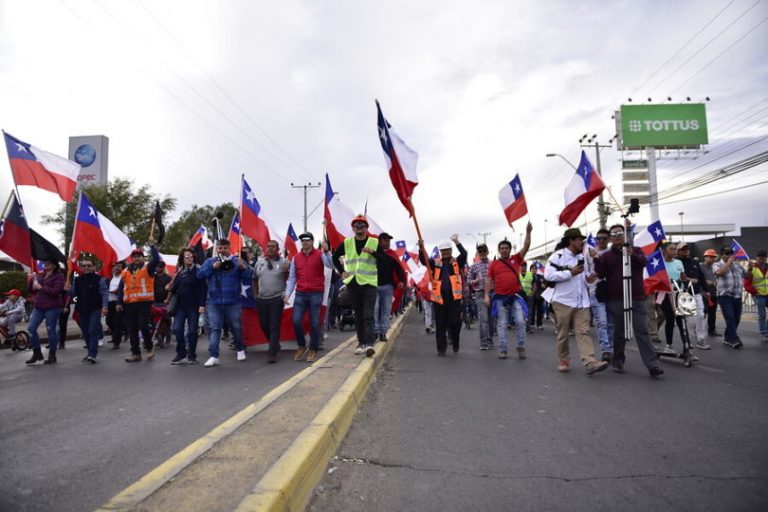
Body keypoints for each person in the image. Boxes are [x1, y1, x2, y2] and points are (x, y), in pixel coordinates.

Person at [596, 222, 663, 377]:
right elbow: (601, 273)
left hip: (637, 297)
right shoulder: (606, 256)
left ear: (625, 235)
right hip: (616, 299)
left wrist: (631, 253)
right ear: (611, 238)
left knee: (642, 331)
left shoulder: (636, 251)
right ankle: (618, 361)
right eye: (614, 235)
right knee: (619, 332)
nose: (618, 237)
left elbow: (643, 262)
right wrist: (596, 260)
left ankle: (652, 365)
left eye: (620, 234)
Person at [543, 228, 608, 375]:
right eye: (580, 240)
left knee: (583, 331)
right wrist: (569, 273)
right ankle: (564, 359)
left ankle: (590, 361)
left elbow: (583, 278)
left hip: (581, 302)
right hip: (562, 301)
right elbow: (548, 275)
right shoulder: (557, 257)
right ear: (571, 240)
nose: (582, 243)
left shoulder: (582, 258)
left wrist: (589, 278)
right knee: (563, 333)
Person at [197, 238, 253, 367]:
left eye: (225, 248)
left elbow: (249, 276)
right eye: (220, 248)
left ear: (229, 248)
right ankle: (214, 356)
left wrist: (243, 267)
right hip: (214, 302)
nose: (222, 250)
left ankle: (240, 349)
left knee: (236, 327)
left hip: (233, 302)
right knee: (215, 328)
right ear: (217, 249)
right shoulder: (210, 261)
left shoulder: (236, 260)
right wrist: (212, 267)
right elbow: (200, 275)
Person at [332, 215, 381, 357]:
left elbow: (384, 260)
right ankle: (361, 343)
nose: (359, 227)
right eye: (357, 225)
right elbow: (335, 257)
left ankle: (370, 344)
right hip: (353, 283)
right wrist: (342, 272)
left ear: (367, 228)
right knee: (358, 315)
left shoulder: (374, 242)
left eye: (362, 225)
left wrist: (373, 253)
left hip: (369, 283)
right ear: (353, 228)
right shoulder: (347, 242)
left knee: (368, 314)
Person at [485, 222, 532, 360]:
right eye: (502, 248)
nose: (504, 250)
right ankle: (503, 349)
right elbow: (488, 280)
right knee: (502, 324)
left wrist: (528, 232)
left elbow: (526, 246)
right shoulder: (494, 264)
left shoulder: (516, 259)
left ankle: (520, 346)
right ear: (499, 250)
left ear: (510, 250)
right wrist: (487, 296)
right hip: (500, 298)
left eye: (506, 248)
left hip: (515, 296)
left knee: (521, 321)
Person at [287, 232, 332, 363]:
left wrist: (327, 251)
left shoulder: (320, 254)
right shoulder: (296, 257)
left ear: (312, 241)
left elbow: (330, 265)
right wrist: (287, 294)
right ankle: (302, 346)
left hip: (316, 293)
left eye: (307, 240)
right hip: (300, 293)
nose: (305, 242)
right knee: (296, 321)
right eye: (303, 240)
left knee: (314, 322)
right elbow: (292, 278)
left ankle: (313, 348)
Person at [419, 234, 467, 356]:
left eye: (447, 250)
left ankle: (455, 342)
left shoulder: (457, 262)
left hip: (454, 299)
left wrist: (457, 242)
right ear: (440, 252)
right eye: (443, 251)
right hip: (439, 299)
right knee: (440, 325)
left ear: (451, 251)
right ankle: (441, 349)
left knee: (455, 322)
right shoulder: (435, 263)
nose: (445, 252)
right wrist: (421, 248)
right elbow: (424, 260)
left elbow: (464, 254)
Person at [119, 246, 161, 363]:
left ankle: (149, 347)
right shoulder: (125, 272)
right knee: (132, 328)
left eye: (139, 256)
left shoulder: (148, 268)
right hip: (130, 304)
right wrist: (119, 302)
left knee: (143, 325)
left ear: (142, 258)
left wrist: (153, 246)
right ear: (132, 258)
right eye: (135, 256)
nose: (137, 258)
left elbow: (156, 259)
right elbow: (121, 288)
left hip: (144, 302)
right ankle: (135, 353)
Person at [169, 248, 207, 364]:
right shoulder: (180, 272)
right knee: (177, 329)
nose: (189, 258)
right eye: (186, 256)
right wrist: (170, 286)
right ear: (182, 259)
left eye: (191, 256)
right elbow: (175, 288)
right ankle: (181, 353)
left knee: (192, 331)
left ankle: (191, 355)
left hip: (194, 306)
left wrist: (202, 304)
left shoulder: (199, 271)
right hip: (181, 305)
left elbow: (203, 288)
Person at [255, 240, 289, 363]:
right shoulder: (259, 263)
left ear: (277, 249)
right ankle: (274, 344)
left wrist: (287, 271)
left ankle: (272, 352)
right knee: (264, 324)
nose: (270, 249)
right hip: (262, 299)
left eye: (273, 247)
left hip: (277, 298)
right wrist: (255, 295)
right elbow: (254, 279)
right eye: (268, 246)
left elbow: (292, 277)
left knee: (274, 325)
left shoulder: (284, 262)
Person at [69, 256, 108, 364]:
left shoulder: (99, 279)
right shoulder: (77, 280)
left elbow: (104, 293)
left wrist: (105, 306)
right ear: (81, 267)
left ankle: (93, 354)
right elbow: (72, 294)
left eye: (89, 265)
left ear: (93, 267)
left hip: (95, 309)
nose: (86, 267)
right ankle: (89, 353)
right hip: (82, 309)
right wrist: (68, 287)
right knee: (85, 332)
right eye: (84, 265)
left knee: (92, 331)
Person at [25, 260, 65, 365]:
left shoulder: (59, 276)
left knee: (51, 330)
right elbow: (31, 290)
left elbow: (56, 291)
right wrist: (31, 281)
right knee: (31, 328)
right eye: (45, 263)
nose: (46, 264)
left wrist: (41, 287)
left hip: (52, 307)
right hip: (39, 306)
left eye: (48, 263)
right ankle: (37, 353)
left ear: (54, 264)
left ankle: (52, 355)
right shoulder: (40, 275)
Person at [677, 242, 711, 350]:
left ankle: (701, 339)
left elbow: (701, 277)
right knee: (687, 319)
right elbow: (680, 278)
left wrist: (706, 290)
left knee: (701, 315)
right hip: (685, 293)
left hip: (696, 293)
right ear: (679, 251)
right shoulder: (677, 263)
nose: (686, 251)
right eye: (683, 249)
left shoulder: (695, 262)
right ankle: (686, 340)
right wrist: (690, 280)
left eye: (687, 249)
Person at [373, 233, 406, 342]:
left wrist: (401, 280)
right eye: (385, 240)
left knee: (386, 311)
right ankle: (375, 332)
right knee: (375, 309)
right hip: (374, 286)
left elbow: (399, 268)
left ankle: (383, 333)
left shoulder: (392, 255)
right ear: (379, 241)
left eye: (388, 240)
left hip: (388, 287)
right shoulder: (374, 253)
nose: (388, 242)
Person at [713, 245, 747, 349]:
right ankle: (734, 339)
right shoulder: (717, 264)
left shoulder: (738, 265)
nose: (729, 255)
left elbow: (747, 276)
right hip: (725, 296)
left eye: (731, 253)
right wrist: (728, 262)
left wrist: (750, 268)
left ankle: (727, 337)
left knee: (736, 319)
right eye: (727, 253)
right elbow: (720, 273)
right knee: (730, 318)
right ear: (722, 255)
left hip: (737, 296)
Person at [587, 228, 612, 361]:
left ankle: (611, 348)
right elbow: (585, 271)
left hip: (611, 290)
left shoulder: (612, 252)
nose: (601, 240)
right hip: (595, 291)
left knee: (611, 323)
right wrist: (588, 278)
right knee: (602, 322)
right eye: (598, 238)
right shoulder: (589, 253)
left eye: (604, 238)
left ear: (608, 239)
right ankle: (606, 350)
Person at [658, 242, 687, 354]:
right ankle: (669, 345)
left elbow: (683, 277)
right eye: (671, 249)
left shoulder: (679, 262)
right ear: (664, 251)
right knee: (670, 318)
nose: (674, 251)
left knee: (681, 320)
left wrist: (689, 280)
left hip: (678, 293)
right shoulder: (660, 263)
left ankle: (686, 345)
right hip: (664, 294)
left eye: (675, 249)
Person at [467, 243, 493, 349]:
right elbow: (468, 280)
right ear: (478, 253)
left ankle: (490, 339)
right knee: (483, 319)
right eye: (480, 251)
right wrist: (474, 281)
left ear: (487, 251)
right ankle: (484, 342)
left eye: (484, 251)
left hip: (492, 293)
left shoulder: (493, 264)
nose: (482, 253)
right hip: (480, 293)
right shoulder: (474, 266)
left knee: (492, 319)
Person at [745, 250, 768, 342]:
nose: (761, 258)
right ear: (756, 257)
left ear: (766, 257)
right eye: (760, 256)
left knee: (762, 315)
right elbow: (746, 283)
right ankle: (764, 333)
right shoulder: (752, 268)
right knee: (762, 314)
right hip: (759, 295)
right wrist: (754, 292)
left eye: (763, 256)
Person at [700, 249, 720, 336]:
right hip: (703, 293)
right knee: (703, 312)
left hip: (713, 292)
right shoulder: (700, 267)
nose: (712, 259)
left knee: (712, 313)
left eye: (714, 257)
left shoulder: (714, 267)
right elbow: (697, 278)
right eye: (710, 257)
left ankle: (712, 330)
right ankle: (698, 329)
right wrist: (706, 281)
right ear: (705, 257)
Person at [106, 261, 126, 349]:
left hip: (119, 302)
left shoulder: (124, 277)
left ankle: (116, 341)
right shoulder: (111, 277)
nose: (117, 268)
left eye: (119, 267)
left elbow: (125, 289)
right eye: (116, 266)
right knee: (109, 321)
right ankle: (121, 332)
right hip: (110, 301)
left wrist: (117, 291)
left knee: (117, 322)